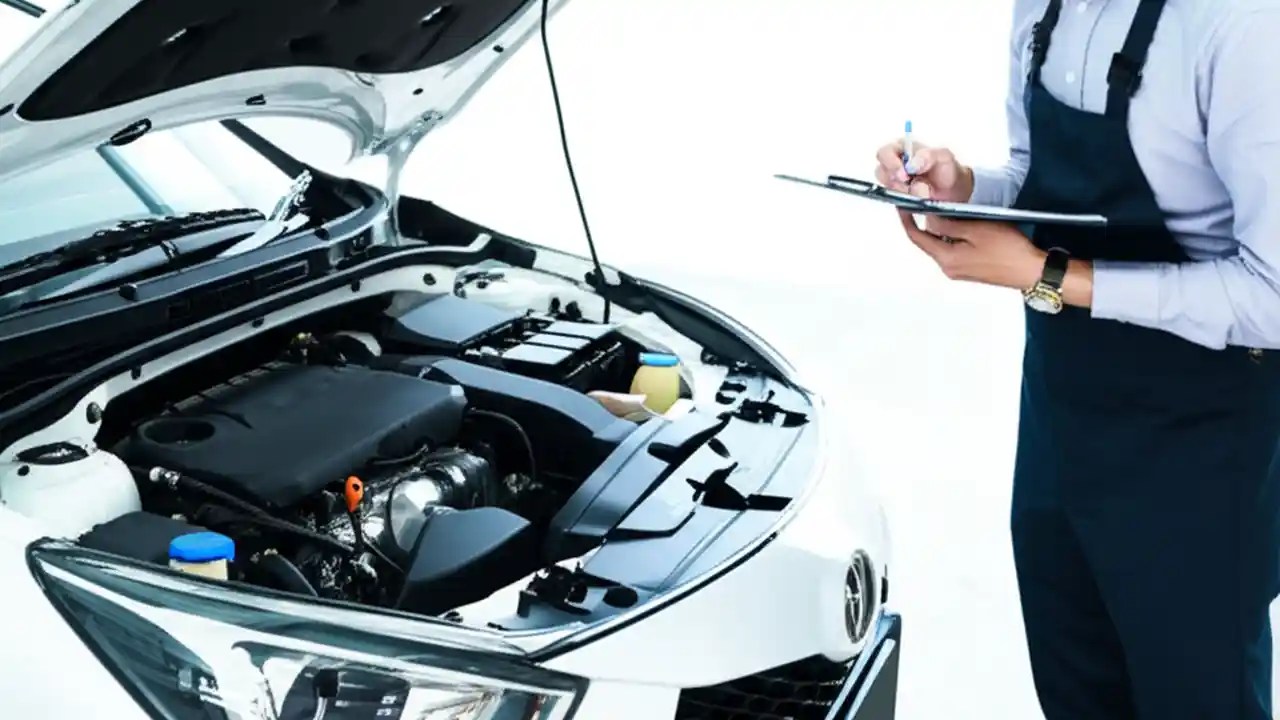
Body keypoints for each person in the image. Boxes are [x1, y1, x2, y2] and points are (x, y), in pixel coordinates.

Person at [873, 0, 1280, 718]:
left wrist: (1051, 276)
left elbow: (1272, 294)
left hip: (1200, 441)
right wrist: (962, 186)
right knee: (1075, 687)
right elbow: (1035, 180)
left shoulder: (1240, 25)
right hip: (1061, 416)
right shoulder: (1042, 8)